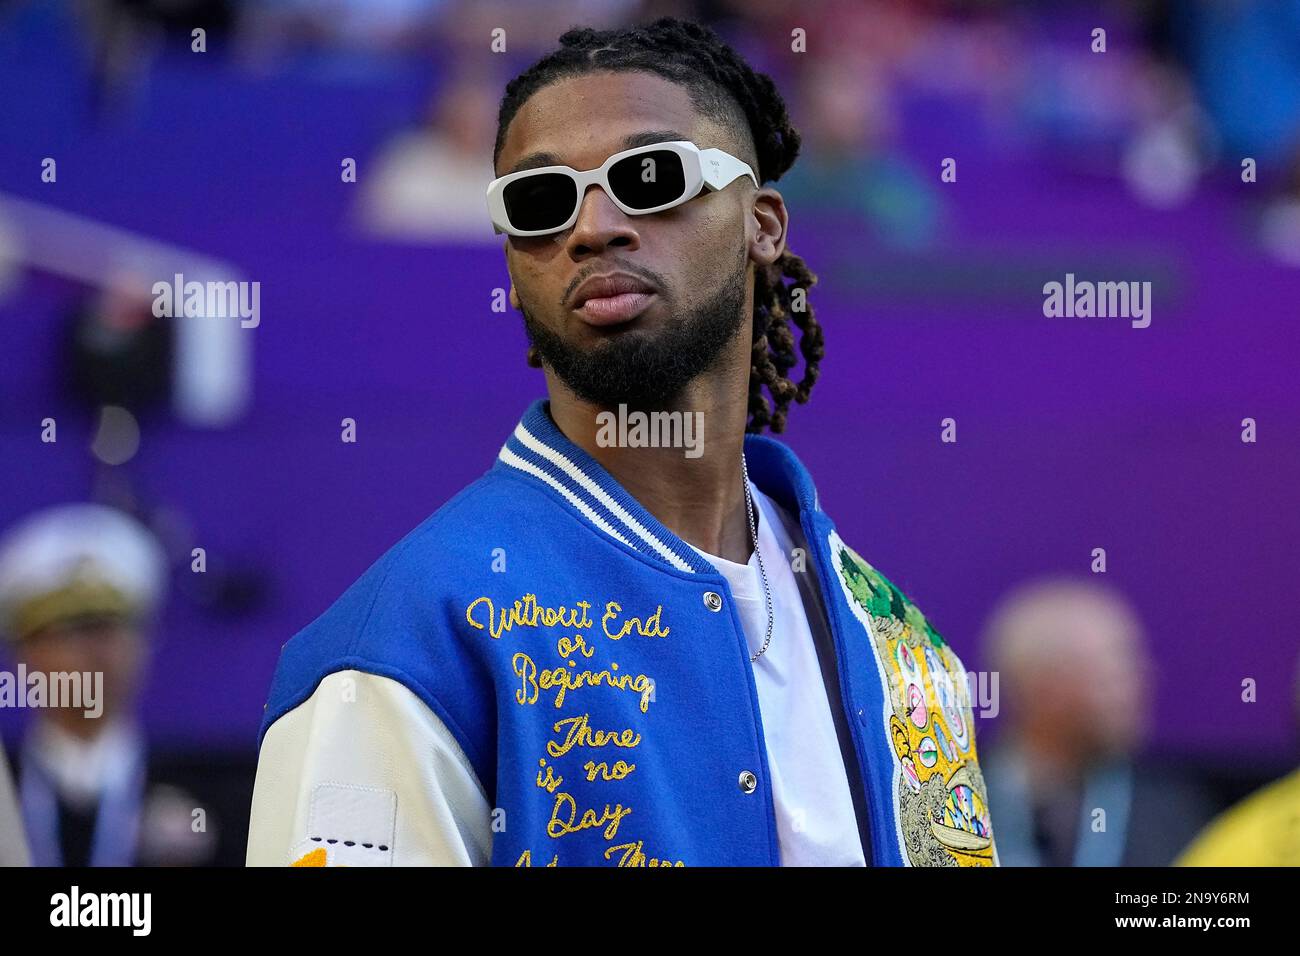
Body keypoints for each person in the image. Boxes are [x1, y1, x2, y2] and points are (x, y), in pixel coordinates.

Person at [247, 17, 998, 868]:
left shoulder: (900, 651)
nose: (593, 227)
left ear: (764, 224)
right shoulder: (395, 655)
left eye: (650, 177)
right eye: (541, 200)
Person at [0, 503, 245, 866]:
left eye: (109, 628)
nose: (95, 652)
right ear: (23, 653)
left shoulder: (218, 799)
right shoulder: (9, 792)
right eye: (69, 631)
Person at [979, 578, 1214, 866]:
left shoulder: (1173, 812)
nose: (1142, 682)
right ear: (1044, 686)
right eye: (1114, 673)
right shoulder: (953, 795)